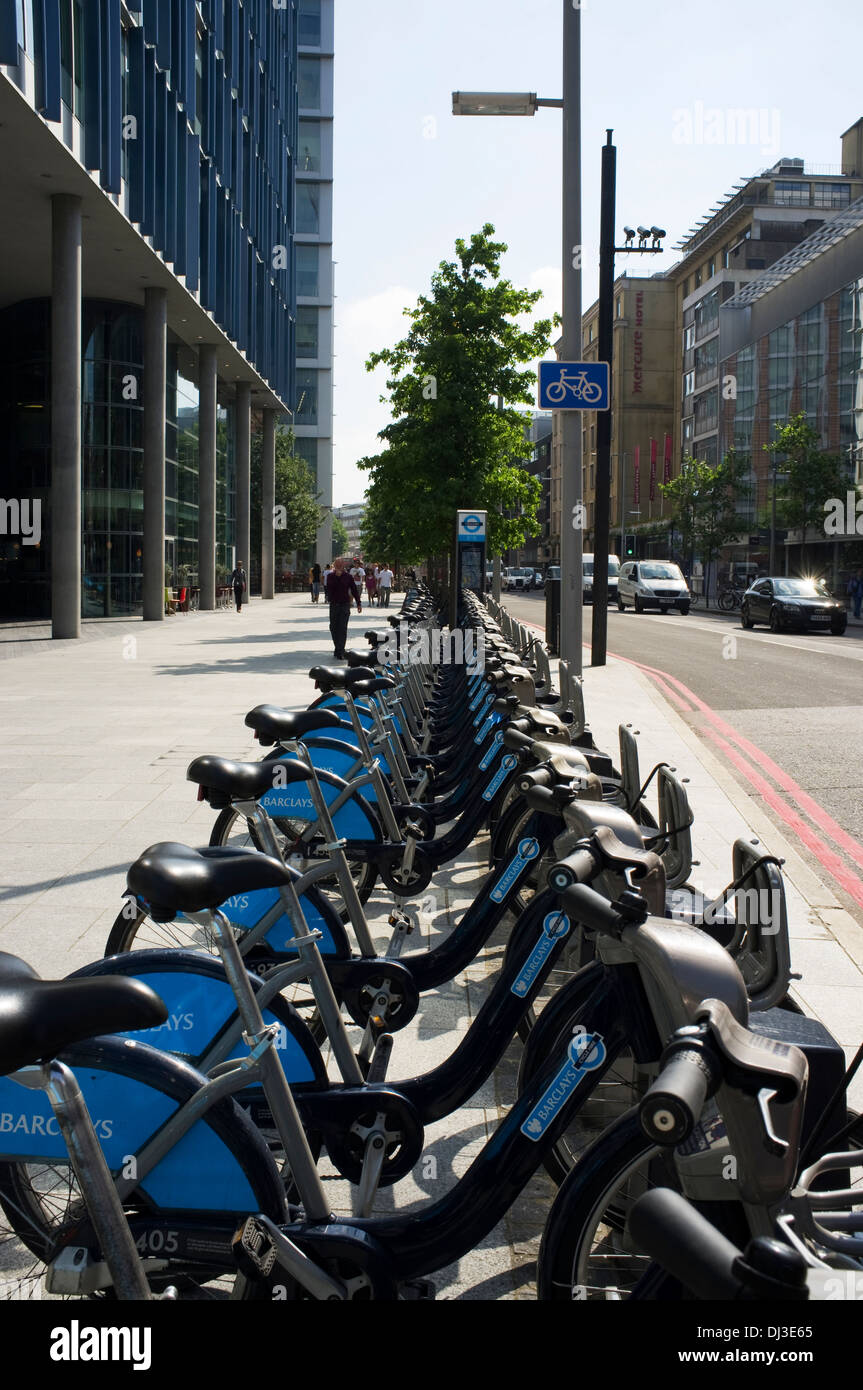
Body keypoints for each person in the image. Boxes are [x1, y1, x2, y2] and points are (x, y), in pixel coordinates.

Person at [325, 557, 362, 659]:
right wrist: (337, 577)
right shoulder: (330, 576)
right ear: (334, 565)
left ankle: (341, 650)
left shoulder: (348, 577)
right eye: (337, 565)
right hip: (334, 605)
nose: (338, 567)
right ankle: (338, 648)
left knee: (342, 627)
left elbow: (354, 590)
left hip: (345, 605)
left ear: (343, 566)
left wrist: (358, 603)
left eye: (340, 565)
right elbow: (329, 589)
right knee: (333, 627)